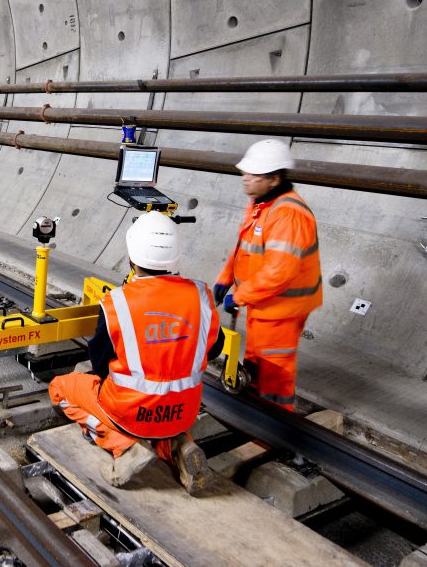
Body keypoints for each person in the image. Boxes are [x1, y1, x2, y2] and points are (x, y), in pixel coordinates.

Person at [49, 212, 221, 492]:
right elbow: (214, 348)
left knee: (61, 388)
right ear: (176, 256)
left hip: (130, 413)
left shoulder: (117, 303)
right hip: (183, 412)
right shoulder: (201, 298)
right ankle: (179, 446)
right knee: (164, 426)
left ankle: (126, 447)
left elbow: (99, 362)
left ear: (132, 259)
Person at [214, 139, 323, 411]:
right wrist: (225, 278)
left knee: (274, 372)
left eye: (253, 174)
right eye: (246, 172)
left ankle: (275, 427)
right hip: (264, 302)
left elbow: (278, 273)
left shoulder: (288, 215)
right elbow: (244, 248)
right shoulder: (260, 203)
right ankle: (255, 411)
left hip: (283, 307)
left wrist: (239, 295)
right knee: (256, 361)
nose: (245, 178)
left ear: (274, 179)